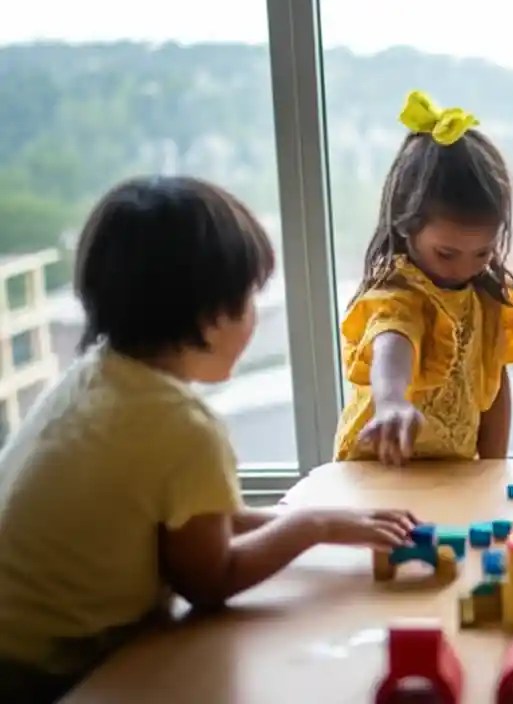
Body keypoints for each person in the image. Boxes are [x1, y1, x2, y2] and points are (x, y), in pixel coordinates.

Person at [0, 177, 419, 704]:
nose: (252, 315)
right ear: (207, 311)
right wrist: (310, 525)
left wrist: (337, 525)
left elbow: (196, 520)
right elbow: (210, 578)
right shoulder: (182, 427)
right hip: (54, 679)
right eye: (248, 297)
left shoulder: (93, 380)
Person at [334, 90, 513, 465]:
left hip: (452, 472)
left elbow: (493, 390)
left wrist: (493, 470)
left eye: (483, 252)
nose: (464, 268)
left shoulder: (489, 298)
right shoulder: (399, 292)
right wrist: (391, 402)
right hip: (379, 470)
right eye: (446, 253)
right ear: (406, 225)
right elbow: (391, 341)